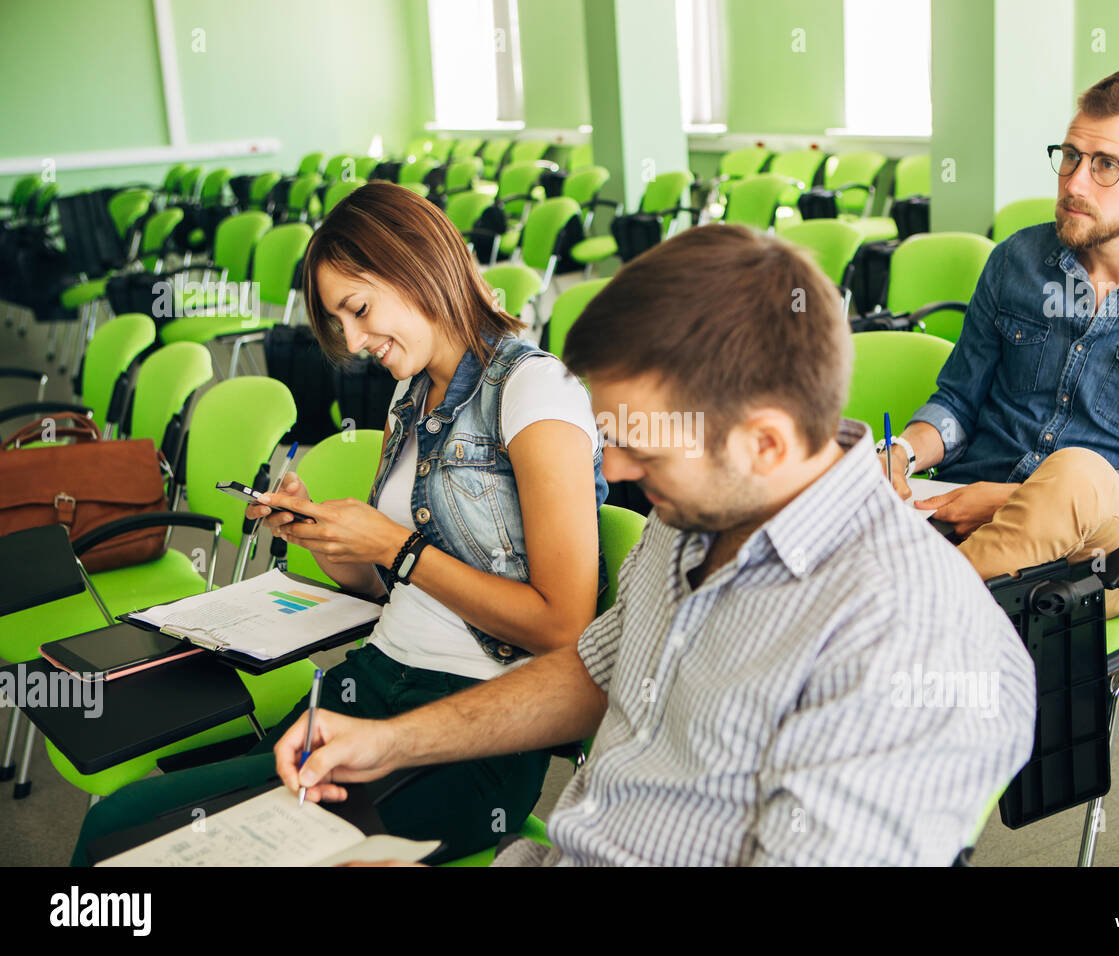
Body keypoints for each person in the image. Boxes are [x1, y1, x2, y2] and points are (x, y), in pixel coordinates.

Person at [271, 223, 1038, 866]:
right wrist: (392, 743)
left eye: (641, 445)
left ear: (765, 442)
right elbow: (593, 669)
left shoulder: (913, 638)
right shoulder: (691, 519)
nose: (619, 473)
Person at [72, 181, 608, 864]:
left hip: (477, 729)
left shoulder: (536, 389)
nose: (353, 342)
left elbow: (565, 627)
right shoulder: (409, 396)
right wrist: (326, 540)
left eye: (357, 310)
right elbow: (384, 590)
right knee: (132, 826)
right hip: (374, 680)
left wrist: (398, 547)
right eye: (340, 323)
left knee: (143, 839)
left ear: (417, 265)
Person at [879, 69, 1119, 615]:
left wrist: (1014, 501)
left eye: (1106, 165)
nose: (1075, 183)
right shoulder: (1015, 260)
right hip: (961, 505)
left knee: (1079, 471)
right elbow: (958, 403)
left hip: (1098, 555)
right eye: (1070, 156)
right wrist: (904, 451)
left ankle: (917, 604)